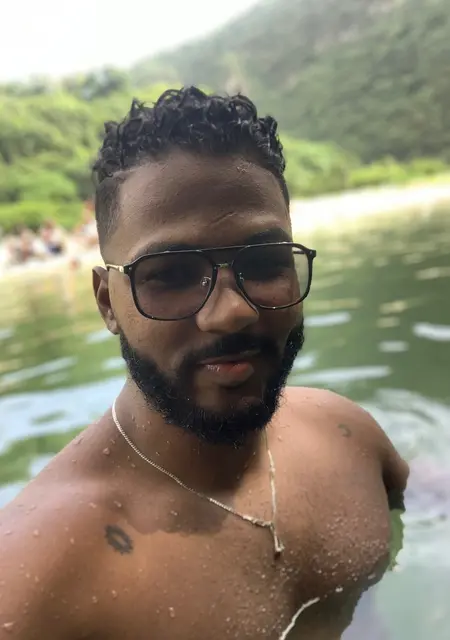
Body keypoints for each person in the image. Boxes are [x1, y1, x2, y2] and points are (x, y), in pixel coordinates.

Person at [0, 87, 408, 639]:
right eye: (170, 275)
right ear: (106, 303)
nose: (232, 312)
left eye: (264, 262)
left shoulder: (350, 439)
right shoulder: (35, 588)